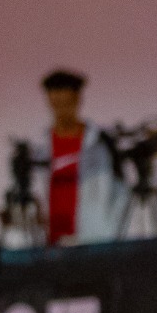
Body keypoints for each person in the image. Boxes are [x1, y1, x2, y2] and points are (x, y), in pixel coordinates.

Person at [37, 70, 126, 246]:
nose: (61, 109)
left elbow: (121, 192)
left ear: (77, 99)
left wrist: (109, 230)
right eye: (55, 103)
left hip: (94, 241)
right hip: (51, 245)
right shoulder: (40, 148)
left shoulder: (101, 144)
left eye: (66, 102)